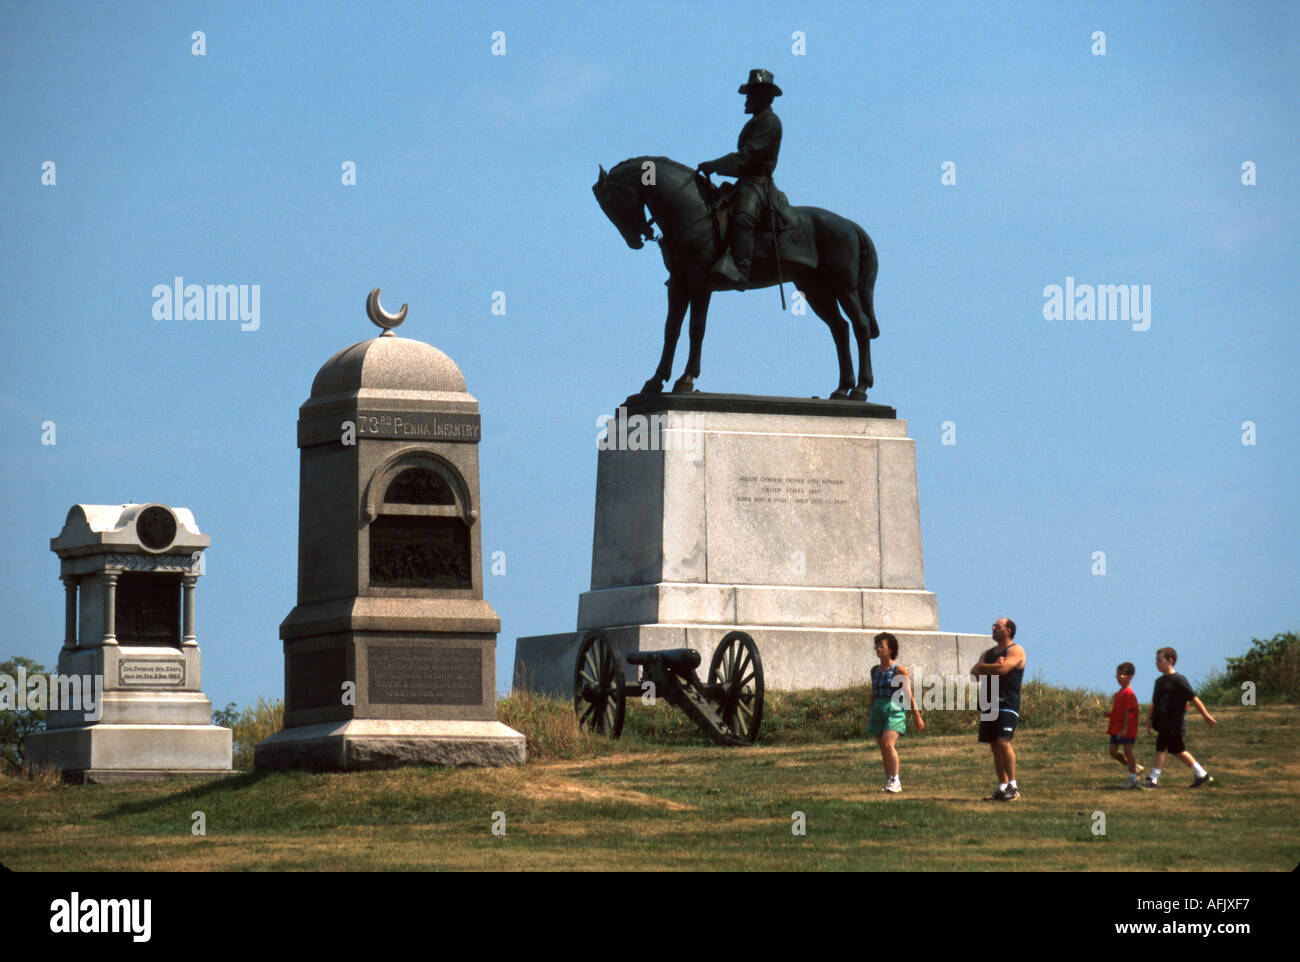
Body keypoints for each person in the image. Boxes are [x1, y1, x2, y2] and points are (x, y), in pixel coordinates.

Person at [698, 69, 783, 289]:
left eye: (751, 94)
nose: (747, 99)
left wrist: (715, 165)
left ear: (764, 97)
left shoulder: (770, 122)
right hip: (744, 182)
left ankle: (741, 270)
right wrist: (715, 170)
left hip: (758, 185)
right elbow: (743, 163)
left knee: (743, 217)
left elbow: (748, 156)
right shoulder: (754, 122)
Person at [970, 617, 1025, 801]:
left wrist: (988, 668)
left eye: (998, 626)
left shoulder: (1016, 650)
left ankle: (1013, 786)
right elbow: (974, 672)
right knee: (994, 746)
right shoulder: (989, 653)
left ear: (1008, 631)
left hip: (1006, 704)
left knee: (1003, 742)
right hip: (988, 704)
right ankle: (1002, 786)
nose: (993, 628)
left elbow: (1003, 670)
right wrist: (994, 666)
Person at [1144, 647, 1216, 788]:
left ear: (1170, 660)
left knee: (1161, 748)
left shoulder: (1178, 680)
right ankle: (1202, 774)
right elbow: (1154, 702)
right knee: (1177, 750)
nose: (1156, 663)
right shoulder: (1158, 682)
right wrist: (1149, 719)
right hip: (1162, 722)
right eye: (1156, 660)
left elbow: (1193, 698)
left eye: (1159, 660)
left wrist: (1205, 715)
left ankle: (1153, 779)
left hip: (1174, 723)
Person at [867, 632, 924, 793]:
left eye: (882, 646)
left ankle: (895, 779)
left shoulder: (898, 670)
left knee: (888, 744)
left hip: (895, 708)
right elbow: (873, 693)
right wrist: (870, 713)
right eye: (877, 646)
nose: (878, 649)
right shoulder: (875, 670)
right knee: (883, 747)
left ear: (890, 649)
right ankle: (888, 780)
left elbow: (907, 693)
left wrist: (917, 715)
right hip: (878, 708)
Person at [1106, 662, 1144, 788]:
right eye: (1117, 675)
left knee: (1128, 750)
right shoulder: (1118, 694)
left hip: (1126, 728)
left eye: (1121, 675)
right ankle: (1133, 767)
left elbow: (1129, 712)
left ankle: (1133, 777)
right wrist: (1109, 715)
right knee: (1113, 751)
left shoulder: (1128, 694)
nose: (1118, 678)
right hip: (1116, 728)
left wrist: (1125, 728)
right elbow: (1118, 711)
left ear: (1129, 677)